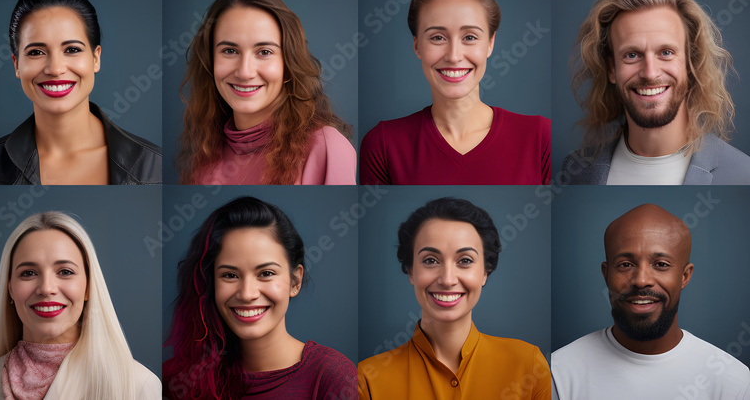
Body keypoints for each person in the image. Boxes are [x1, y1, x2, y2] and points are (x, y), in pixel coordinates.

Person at [0, 0, 161, 185]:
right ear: (17, 64)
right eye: (36, 52)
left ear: (95, 58)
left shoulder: (153, 166)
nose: (55, 69)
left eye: (72, 49)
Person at [360, 0, 550, 185]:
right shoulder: (382, 144)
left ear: (490, 43)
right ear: (417, 46)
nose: (454, 56)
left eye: (469, 37)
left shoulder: (540, 136)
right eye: (437, 38)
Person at [164, 196, 356, 399]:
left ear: (295, 282)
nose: (247, 294)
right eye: (230, 275)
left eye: (266, 273)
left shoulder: (334, 376)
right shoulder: (178, 380)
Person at [551, 204, 750, 399]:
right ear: (606, 274)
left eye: (661, 264)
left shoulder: (735, 383)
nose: (641, 280)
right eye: (625, 264)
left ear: (685, 276)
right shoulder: (557, 375)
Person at [358, 197, 549, 399]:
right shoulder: (367, 379)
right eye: (430, 260)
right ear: (410, 271)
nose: (447, 280)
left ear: (485, 272)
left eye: (465, 260)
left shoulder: (529, 365)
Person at [562, 0, 750, 184]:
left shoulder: (742, 174)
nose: (650, 73)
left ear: (690, 63)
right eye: (632, 55)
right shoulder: (575, 171)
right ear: (611, 69)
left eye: (666, 53)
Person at [0, 211, 160, 399]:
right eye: (28, 273)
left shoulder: (140, 385)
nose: (46, 289)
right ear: (10, 288)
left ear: (89, 287)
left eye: (65, 271)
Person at [177, 0, 355, 185]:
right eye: (229, 51)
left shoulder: (326, 147)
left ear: (288, 65)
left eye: (264, 52)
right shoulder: (203, 151)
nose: (245, 72)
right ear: (210, 62)